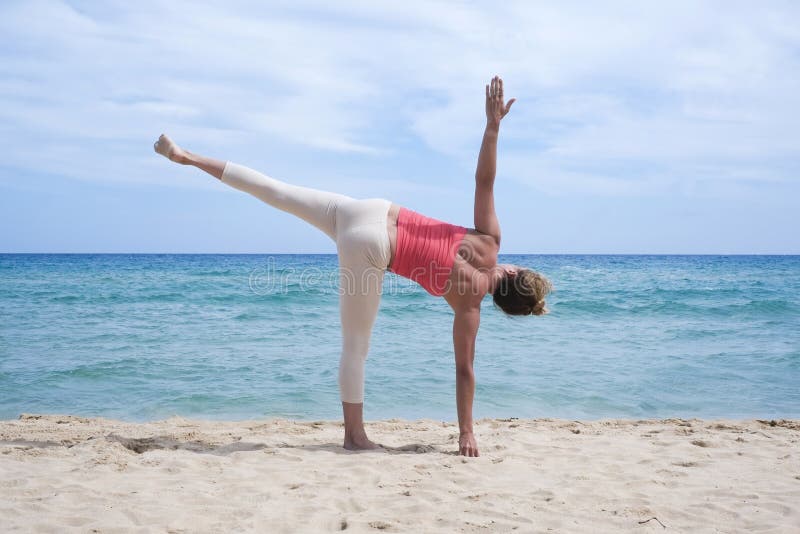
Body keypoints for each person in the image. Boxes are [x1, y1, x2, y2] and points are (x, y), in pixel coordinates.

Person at [154, 75, 552, 457]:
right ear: (503, 302)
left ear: (513, 272)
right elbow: (465, 372)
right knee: (356, 347)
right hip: (373, 248)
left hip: (371, 208)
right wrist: (466, 431)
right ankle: (354, 436)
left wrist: (492, 126)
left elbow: (485, 180)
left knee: (276, 190)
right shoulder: (469, 309)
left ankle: (186, 156)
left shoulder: (490, 240)